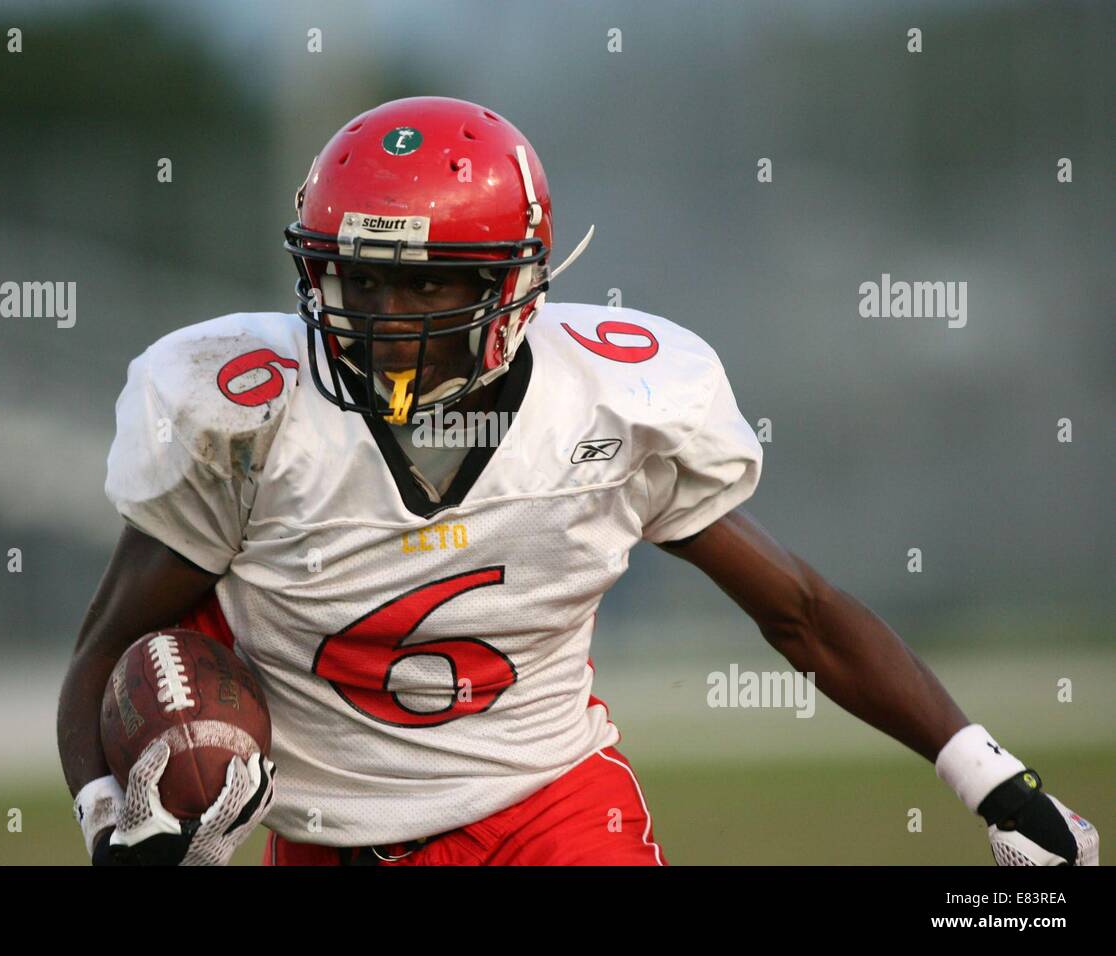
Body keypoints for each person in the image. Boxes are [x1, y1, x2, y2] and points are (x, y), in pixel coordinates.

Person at [57, 96, 1097, 866]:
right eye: (356, 277)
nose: (379, 313)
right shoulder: (246, 416)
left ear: (511, 284)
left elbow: (803, 614)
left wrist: (993, 780)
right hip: (327, 841)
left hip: (549, 815)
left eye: (423, 283)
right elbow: (108, 649)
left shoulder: (611, 403)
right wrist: (116, 819)